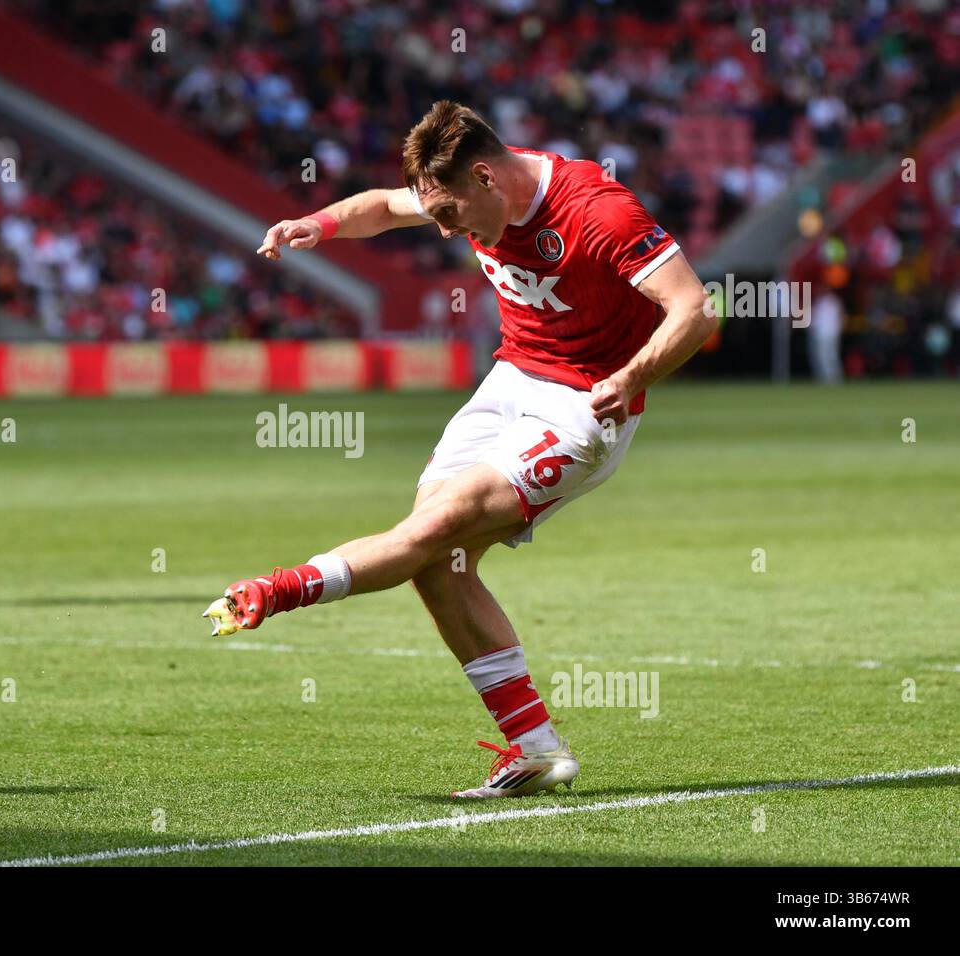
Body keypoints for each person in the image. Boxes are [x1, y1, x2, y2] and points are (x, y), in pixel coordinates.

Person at [203, 101, 715, 797]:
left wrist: (632, 376)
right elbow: (384, 207)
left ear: (485, 177)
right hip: (509, 381)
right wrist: (315, 224)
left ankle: (279, 588)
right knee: (436, 561)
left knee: (433, 529)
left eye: (449, 214)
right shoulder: (459, 187)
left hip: (585, 405)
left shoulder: (598, 211)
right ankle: (534, 748)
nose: (444, 228)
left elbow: (694, 307)